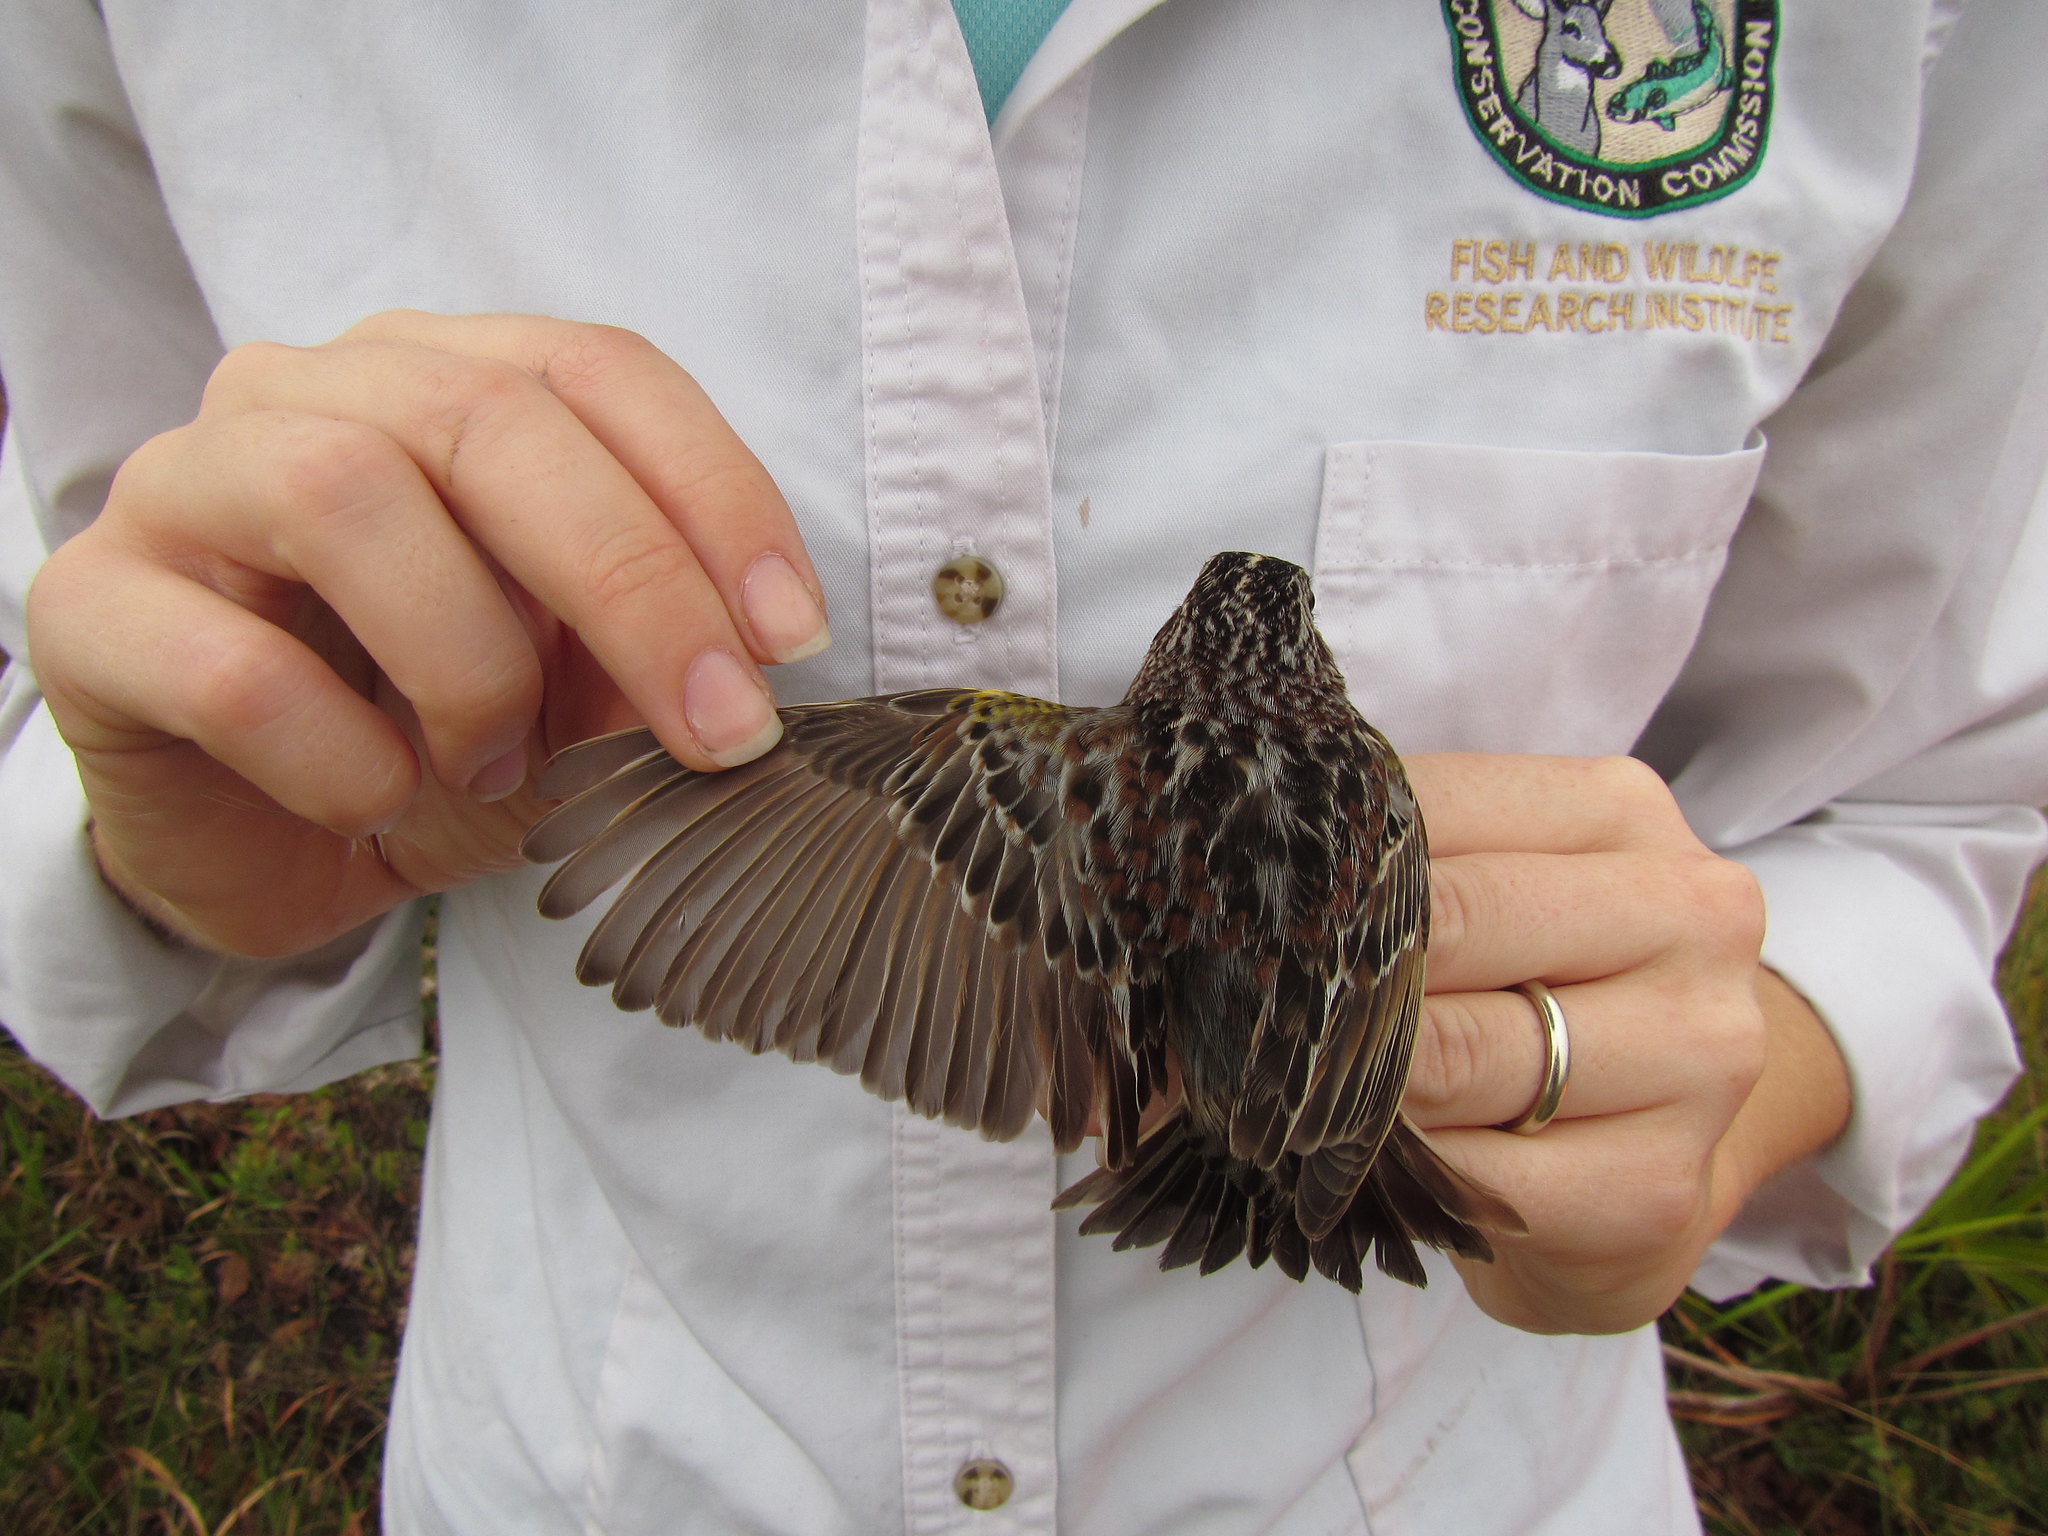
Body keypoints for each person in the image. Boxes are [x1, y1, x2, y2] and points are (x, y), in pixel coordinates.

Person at [2, 2, 2044, 1531]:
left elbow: (1919, 799)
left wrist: (1733, 1066)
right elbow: (73, 627)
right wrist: (184, 836)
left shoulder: (1023, 779)